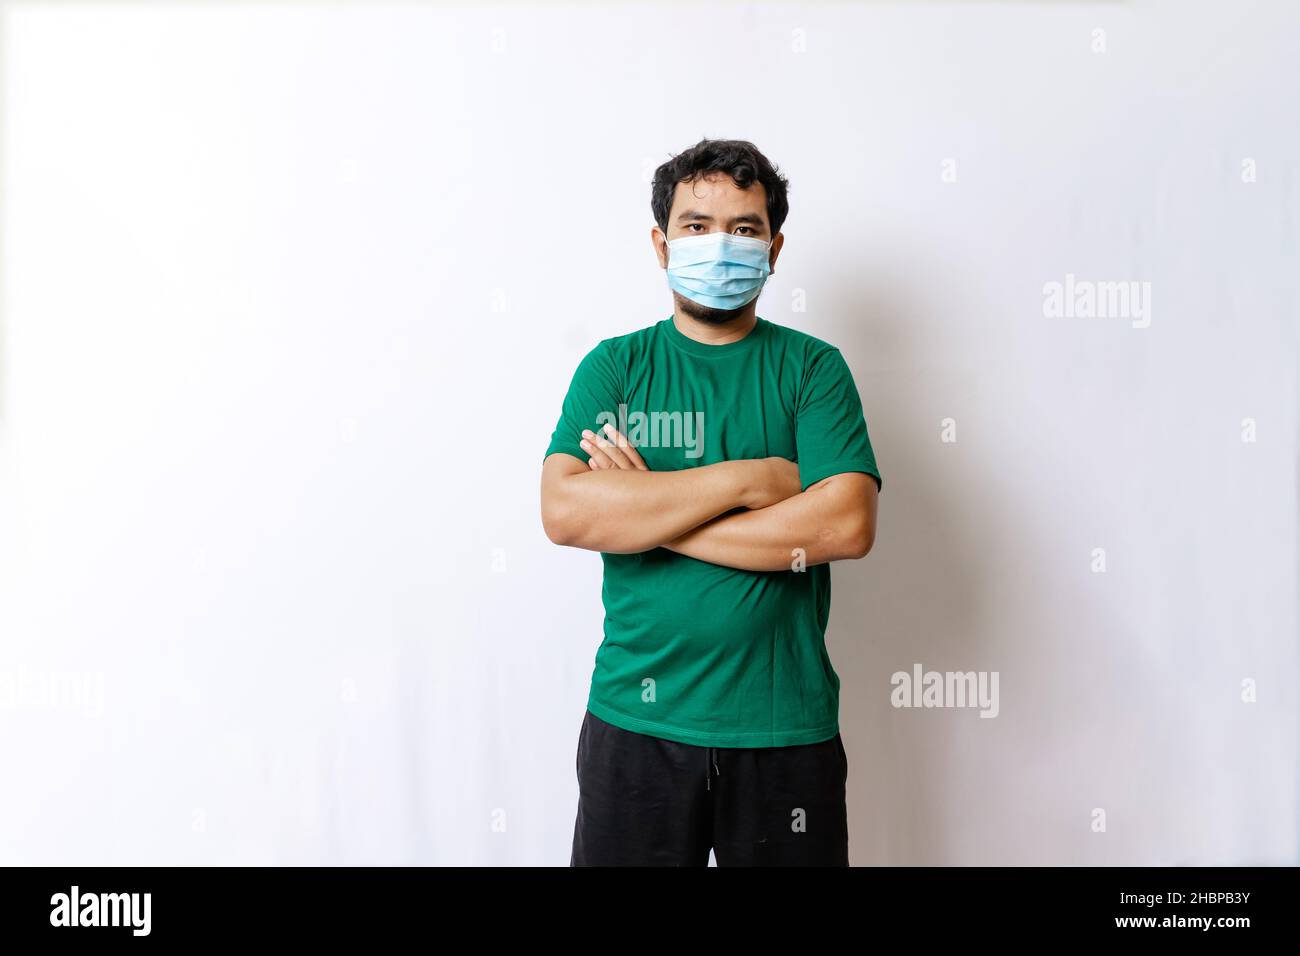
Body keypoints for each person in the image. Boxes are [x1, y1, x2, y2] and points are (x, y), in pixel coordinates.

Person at [540, 138, 882, 866]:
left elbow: (847, 524)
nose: (719, 245)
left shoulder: (813, 370)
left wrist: (644, 514)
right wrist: (753, 480)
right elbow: (567, 513)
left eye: (744, 228)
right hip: (636, 726)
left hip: (784, 732)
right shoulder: (617, 367)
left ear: (775, 247)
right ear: (662, 245)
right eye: (697, 226)